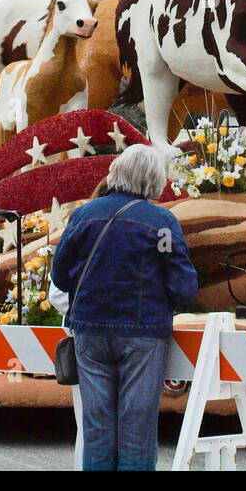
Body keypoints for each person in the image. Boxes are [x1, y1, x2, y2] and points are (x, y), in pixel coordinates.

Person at [51, 145, 197, 471]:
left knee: (97, 428)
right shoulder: (162, 222)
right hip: (143, 336)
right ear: (154, 181)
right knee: (137, 427)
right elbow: (184, 288)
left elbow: (60, 275)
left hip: (89, 330)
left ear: (116, 171)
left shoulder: (84, 215)